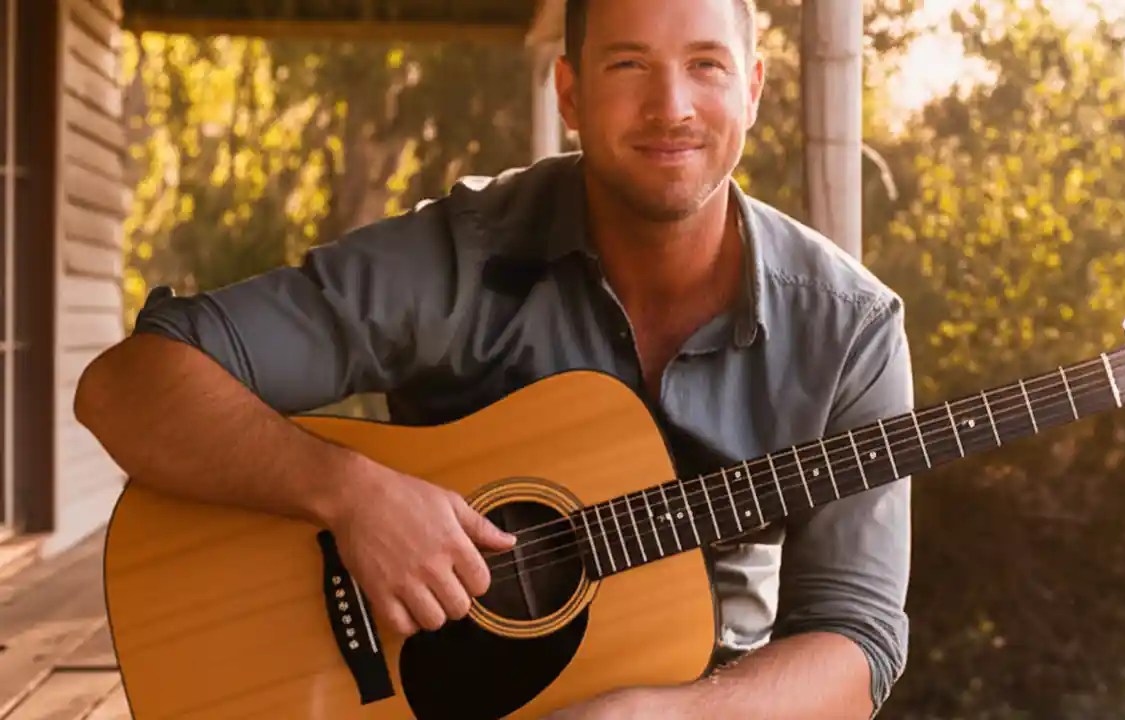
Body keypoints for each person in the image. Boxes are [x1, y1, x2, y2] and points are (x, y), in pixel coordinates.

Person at [75, 0, 912, 716]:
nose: (672, 106)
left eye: (706, 65)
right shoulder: (461, 258)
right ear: (570, 93)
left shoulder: (849, 331)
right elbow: (126, 386)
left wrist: (670, 713)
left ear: (753, 88)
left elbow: (857, 637)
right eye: (629, 64)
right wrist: (350, 493)